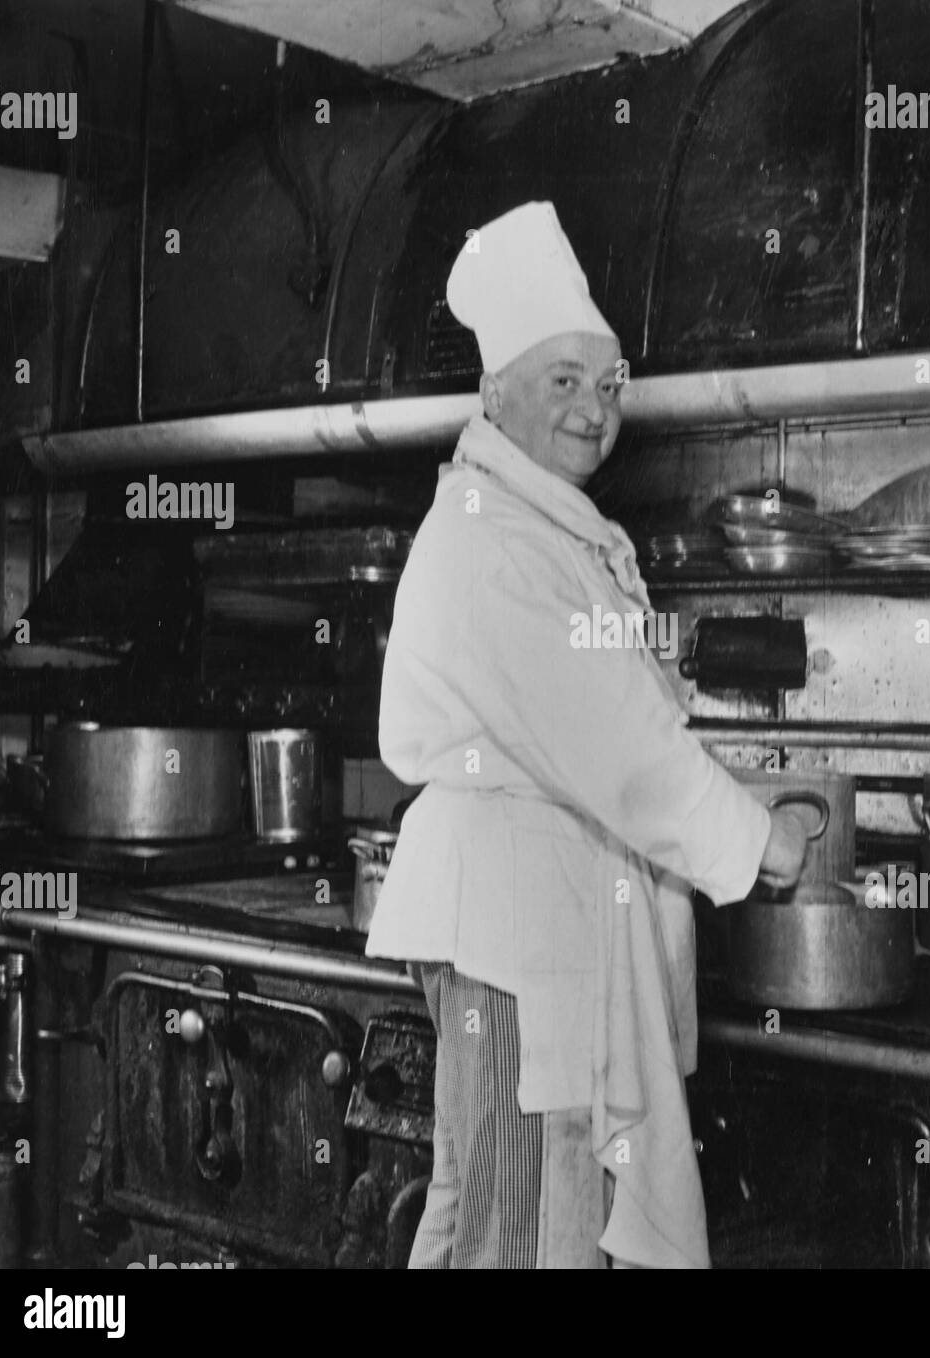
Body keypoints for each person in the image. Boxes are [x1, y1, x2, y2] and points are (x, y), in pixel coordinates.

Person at [366, 201, 809, 1269]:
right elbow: (614, 744)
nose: (591, 409)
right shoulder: (494, 539)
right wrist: (763, 843)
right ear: (494, 391)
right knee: (512, 1224)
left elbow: (619, 722)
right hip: (515, 929)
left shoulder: (539, 524)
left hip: (528, 920)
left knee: (491, 1213)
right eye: (562, 380)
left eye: (606, 385)